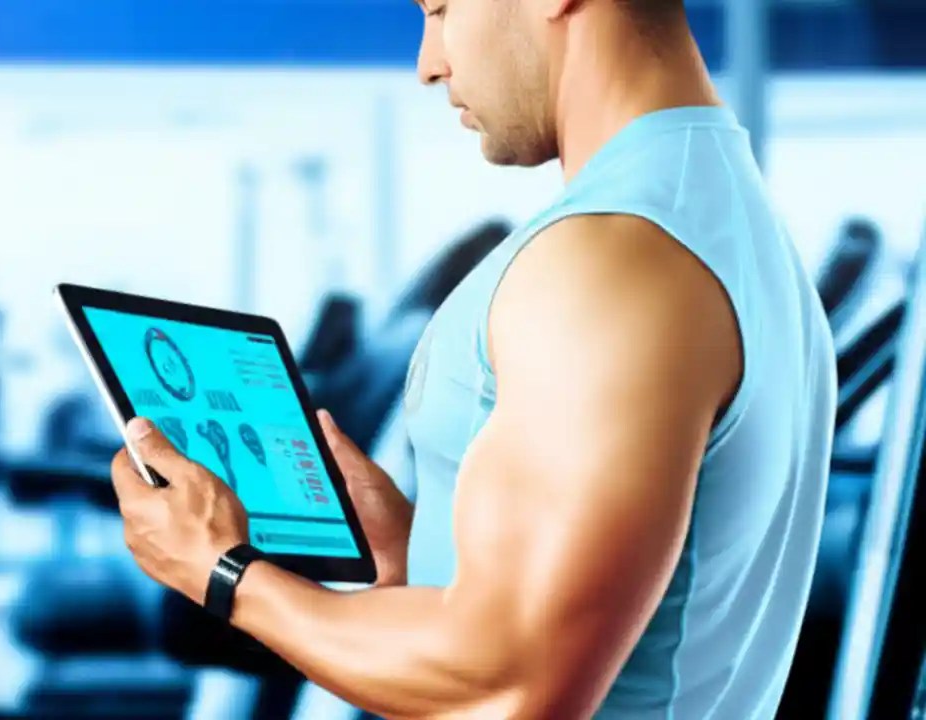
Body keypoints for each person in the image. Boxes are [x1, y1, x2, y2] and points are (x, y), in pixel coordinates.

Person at [109, 0, 837, 717]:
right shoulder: (722, 223)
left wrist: (223, 571)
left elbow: (510, 686)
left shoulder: (611, 259)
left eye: (440, 10)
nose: (428, 65)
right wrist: (417, 551)